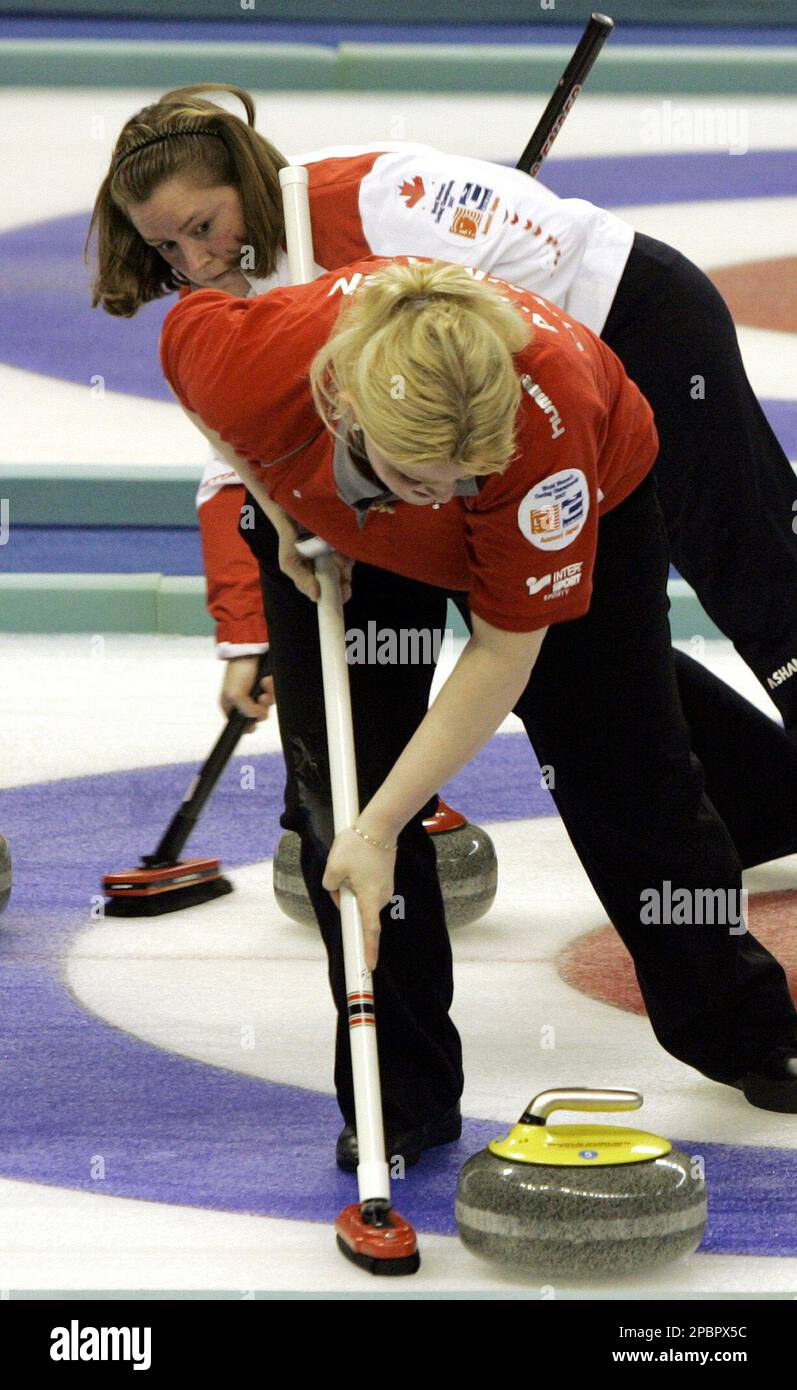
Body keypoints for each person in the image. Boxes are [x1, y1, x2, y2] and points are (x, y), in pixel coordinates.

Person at [157, 251, 797, 1167]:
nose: (446, 499)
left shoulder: (544, 432)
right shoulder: (253, 361)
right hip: (343, 529)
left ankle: (742, 1024)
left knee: (624, 759)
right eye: (425, 479)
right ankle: (400, 1095)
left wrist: (377, 830)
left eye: (465, 476)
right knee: (341, 791)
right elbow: (184, 359)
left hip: (585, 496)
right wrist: (274, 500)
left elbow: (502, 658)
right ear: (344, 410)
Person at [86, 84, 797, 765]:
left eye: (204, 227)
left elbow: (540, 250)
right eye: (167, 249)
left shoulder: (374, 197)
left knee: (739, 556)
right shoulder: (237, 296)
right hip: (542, 399)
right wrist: (245, 631)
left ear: (245, 178)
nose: (197, 262)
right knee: (569, 635)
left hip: (634, 324)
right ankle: (762, 795)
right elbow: (241, 448)